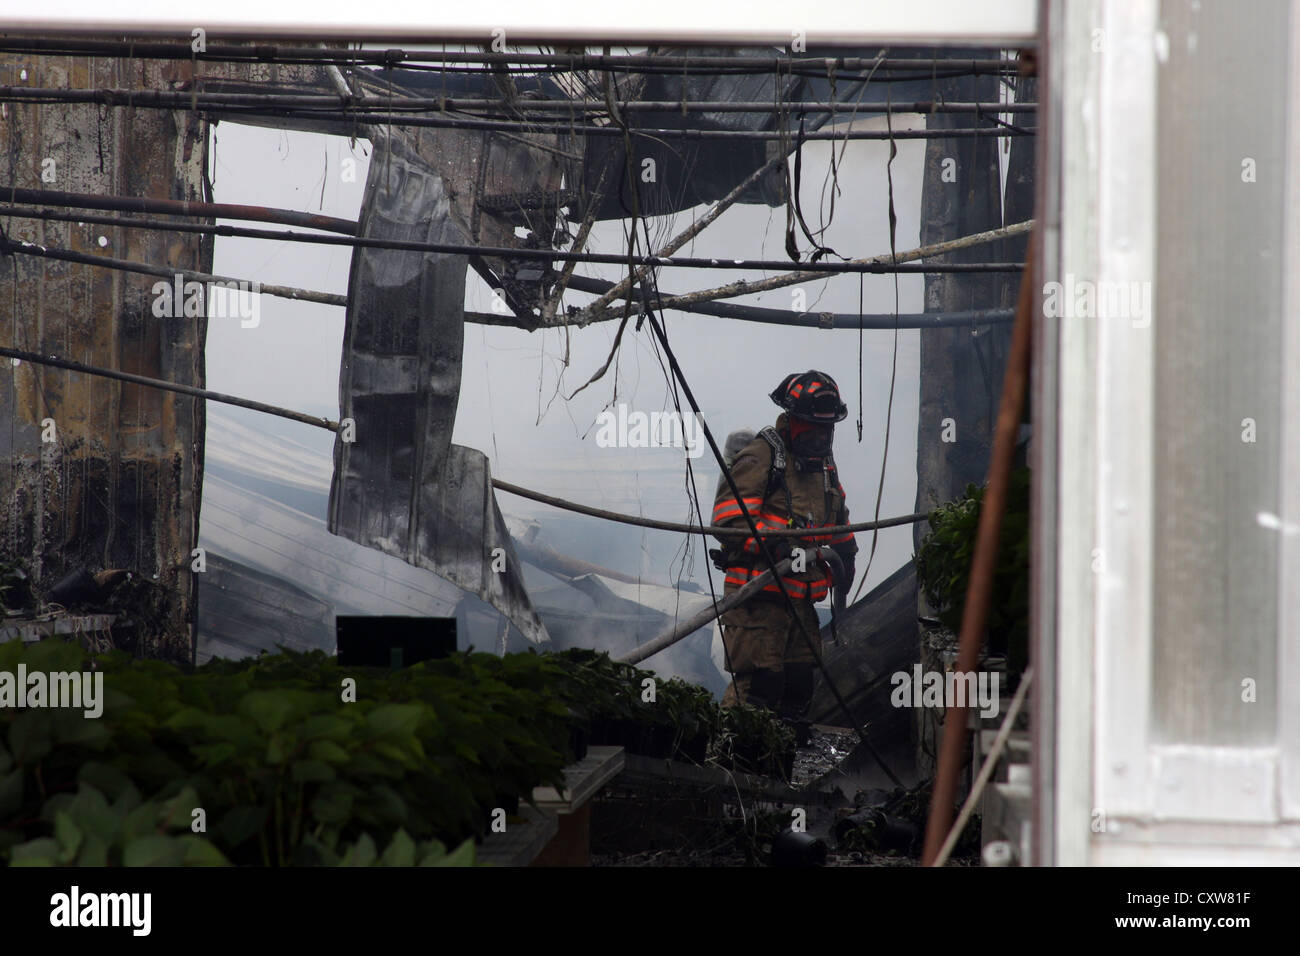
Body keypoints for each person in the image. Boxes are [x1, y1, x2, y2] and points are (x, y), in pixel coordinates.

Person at [711, 371, 858, 723]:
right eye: (813, 428)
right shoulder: (762, 456)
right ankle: (731, 768)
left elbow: (836, 518)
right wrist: (773, 546)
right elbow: (728, 521)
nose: (821, 438)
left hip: (800, 603)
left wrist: (846, 552)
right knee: (759, 691)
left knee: (798, 691)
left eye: (828, 430)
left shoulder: (825, 468)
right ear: (793, 421)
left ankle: (779, 769)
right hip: (759, 601)